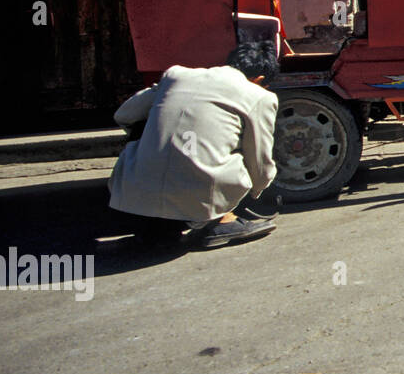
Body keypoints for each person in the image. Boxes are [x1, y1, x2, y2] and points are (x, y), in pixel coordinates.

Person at [108, 42, 280, 248]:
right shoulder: (260, 96)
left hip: (134, 191)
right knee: (239, 146)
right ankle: (222, 220)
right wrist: (257, 192)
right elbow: (260, 160)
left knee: (149, 128)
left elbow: (124, 115)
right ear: (259, 80)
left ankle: (159, 225)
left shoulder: (176, 75)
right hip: (202, 193)